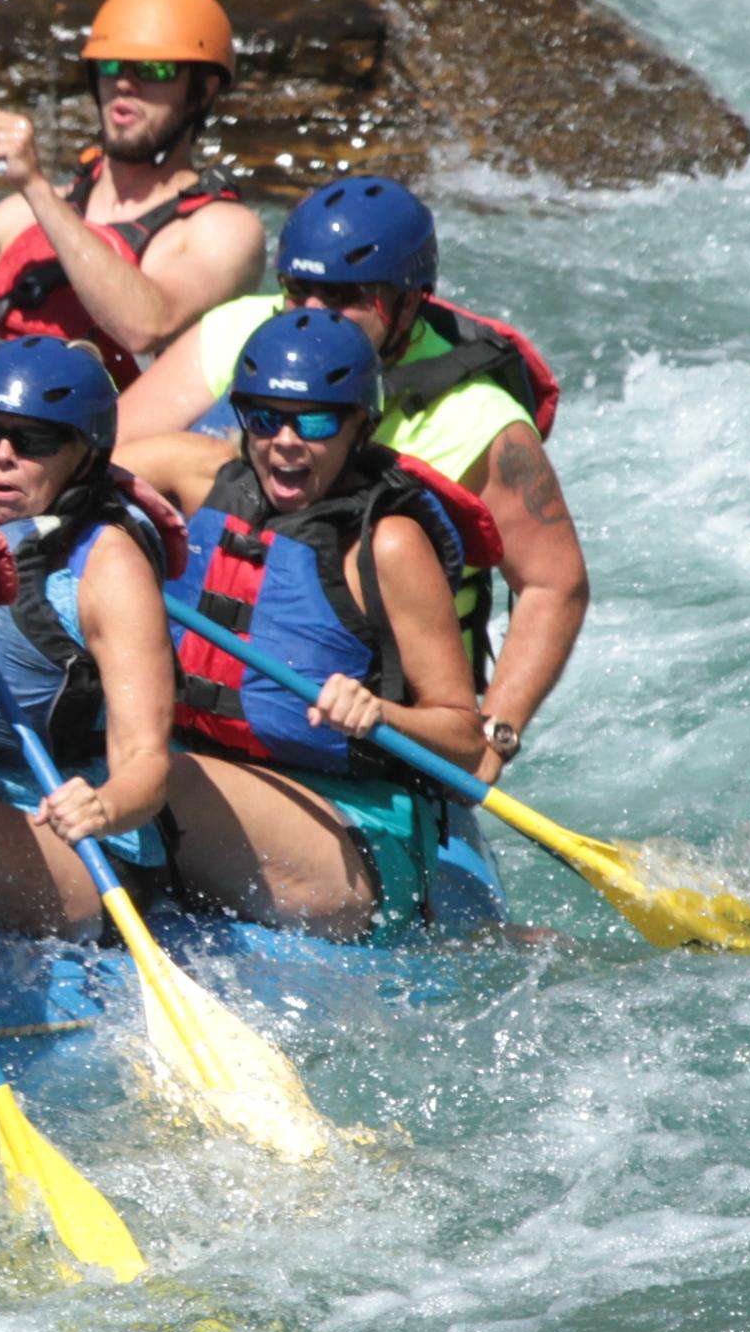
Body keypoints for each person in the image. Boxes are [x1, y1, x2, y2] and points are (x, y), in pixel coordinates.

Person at [114, 174, 585, 783]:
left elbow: (553, 584)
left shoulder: (477, 421)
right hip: (228, 683)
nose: (314, 314)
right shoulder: (243, 333)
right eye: (298, 290)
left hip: (381, 711)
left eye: (343, 297)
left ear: (408, 303)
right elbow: (104, 452)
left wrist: (494, 735)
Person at [117, 309, 496, 943]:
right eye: (265, 419)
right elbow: (72, 470)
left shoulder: (387, 547)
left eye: (315, 422)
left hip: (349, 836)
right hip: (216, 789)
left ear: (359, 425)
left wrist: (380, 713)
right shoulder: (191, 473)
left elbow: (465, 739)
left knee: (146, 772)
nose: (285, 441)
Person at [0, 0, 266, 390]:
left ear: (203, 89)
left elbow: (145, 327)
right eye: (111, 66)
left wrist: (36, 189)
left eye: (154, 69)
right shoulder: (15, 220)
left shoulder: (221, 231)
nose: (124, 83)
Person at [0, 337, 184, 941]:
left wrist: (104, 805)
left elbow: (147, 763)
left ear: (84, 452)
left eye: (34, 441)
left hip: (84, 844)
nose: (2, 457)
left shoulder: (109, 566)